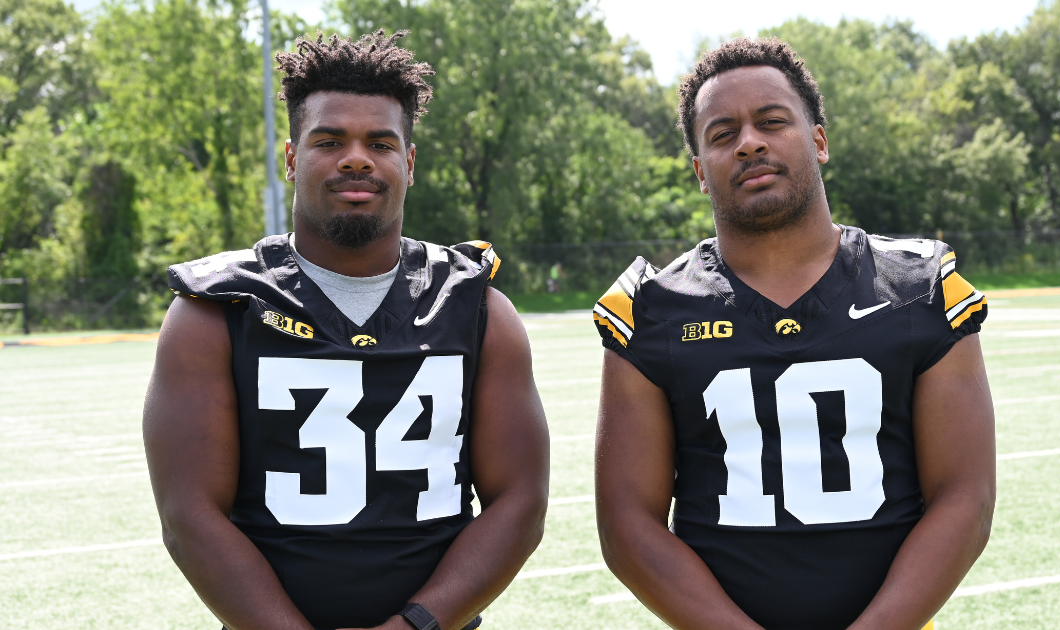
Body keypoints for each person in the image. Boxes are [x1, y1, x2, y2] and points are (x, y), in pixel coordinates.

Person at [143, 31, 549, 630]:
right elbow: (190, 516)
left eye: (380, 143)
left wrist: (415, 625)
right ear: (291, 159)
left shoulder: (477, 309)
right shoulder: (215, 312)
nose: (356, 159)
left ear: (409, 163)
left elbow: (520, 503)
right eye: (329, 141)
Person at [592, 38, 995, 630]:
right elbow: (627, 525)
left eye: (772, 121)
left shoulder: (919, 288)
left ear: (819, 141)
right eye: (722, 134)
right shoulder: (652, 311)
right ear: (701, 171)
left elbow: (965, 497)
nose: (749, 142)